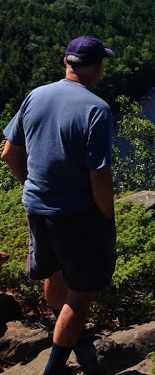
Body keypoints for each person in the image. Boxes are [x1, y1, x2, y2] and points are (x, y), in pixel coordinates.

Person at [1, 36, 117, 375]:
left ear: (66, 63)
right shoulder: (97, 109)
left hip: (38, 208)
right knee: (81, 296)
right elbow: (99, 177)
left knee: (53, 272)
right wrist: (107, 216)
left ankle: (64, 330)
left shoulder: (35, 95)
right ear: (97, 68)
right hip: (79, 216)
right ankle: (54, 367)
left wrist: (32, 187)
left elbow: (9, 153)